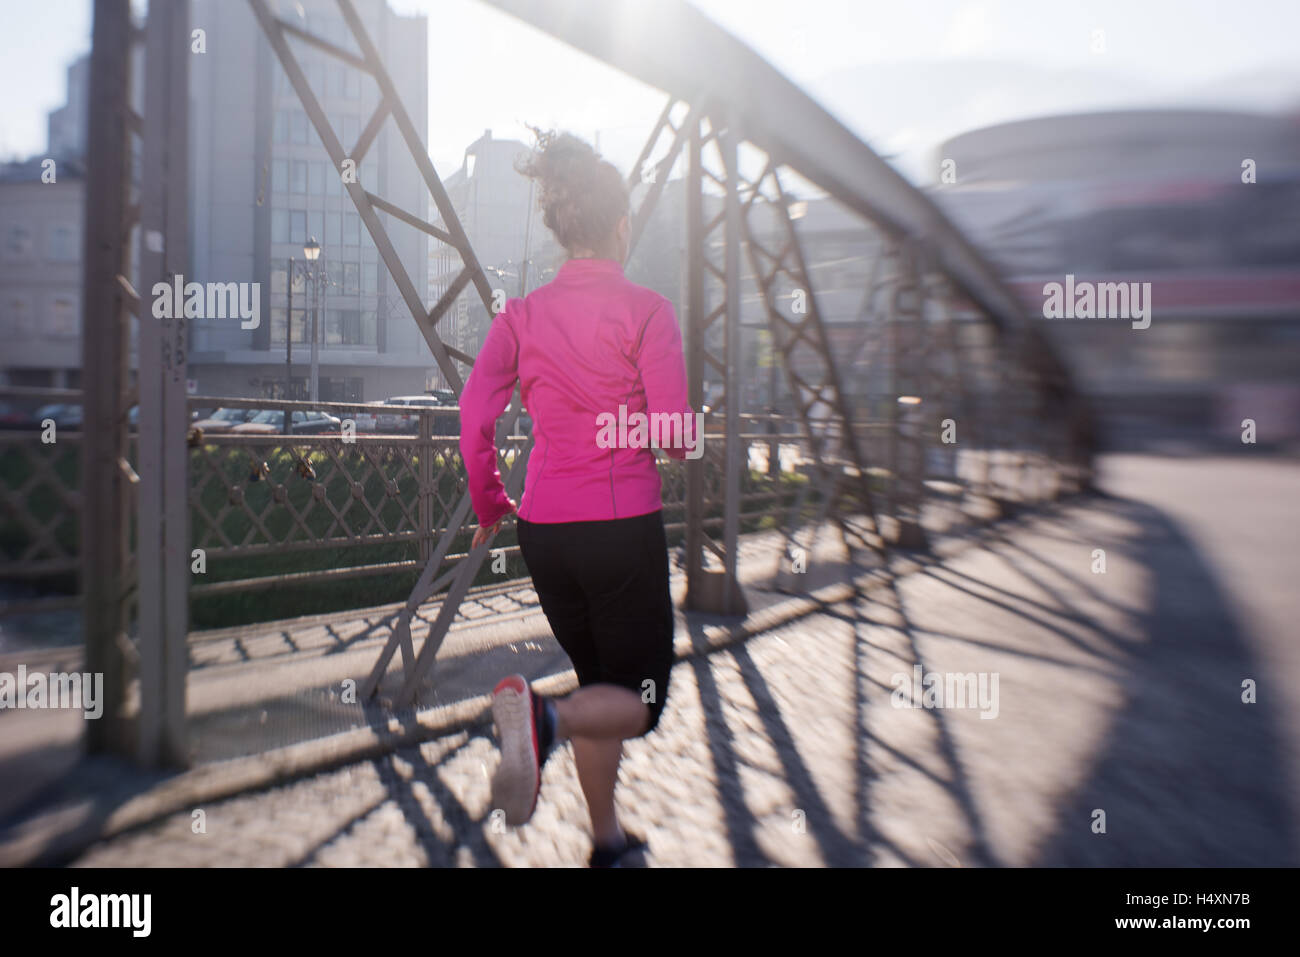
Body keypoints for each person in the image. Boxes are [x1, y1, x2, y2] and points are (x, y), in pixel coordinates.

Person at [458, 130, 694, 868]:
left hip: (546, 534)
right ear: (622, 226)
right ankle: (540, 717)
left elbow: (473, 415)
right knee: (642, 698)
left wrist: (492, 500)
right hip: (620, 532)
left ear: (561, 229)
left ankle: (606, 839)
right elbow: (676, 436)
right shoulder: (649, 311)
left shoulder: (520, 317)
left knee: (604, 687)